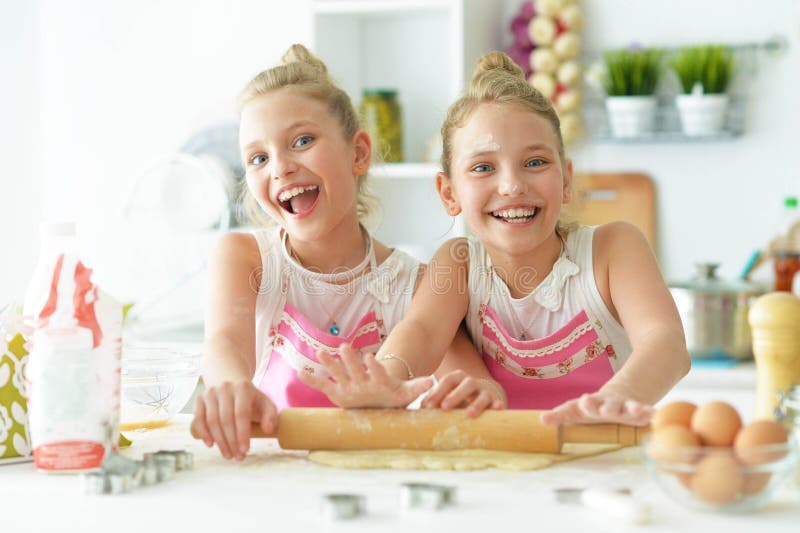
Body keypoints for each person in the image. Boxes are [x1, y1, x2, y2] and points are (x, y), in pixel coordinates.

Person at [301, 51, 691, 427]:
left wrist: (618, 396)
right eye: (483, 167)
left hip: (607, 472)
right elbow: (421, 331)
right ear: (449, 193)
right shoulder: (458, 263)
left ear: (566, 179)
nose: (512, 185)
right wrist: (387, 376)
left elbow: (666, 345)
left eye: (535, 163)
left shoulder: (612, 251)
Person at [192, 44, 503, 461]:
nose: (279, 167)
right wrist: (229, 386)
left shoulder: (416, 285)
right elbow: (225, 344)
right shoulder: (246, 257)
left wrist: (475, 395)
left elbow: (473, 387)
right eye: (258, 157)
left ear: (358, 152)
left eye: (301, 140)